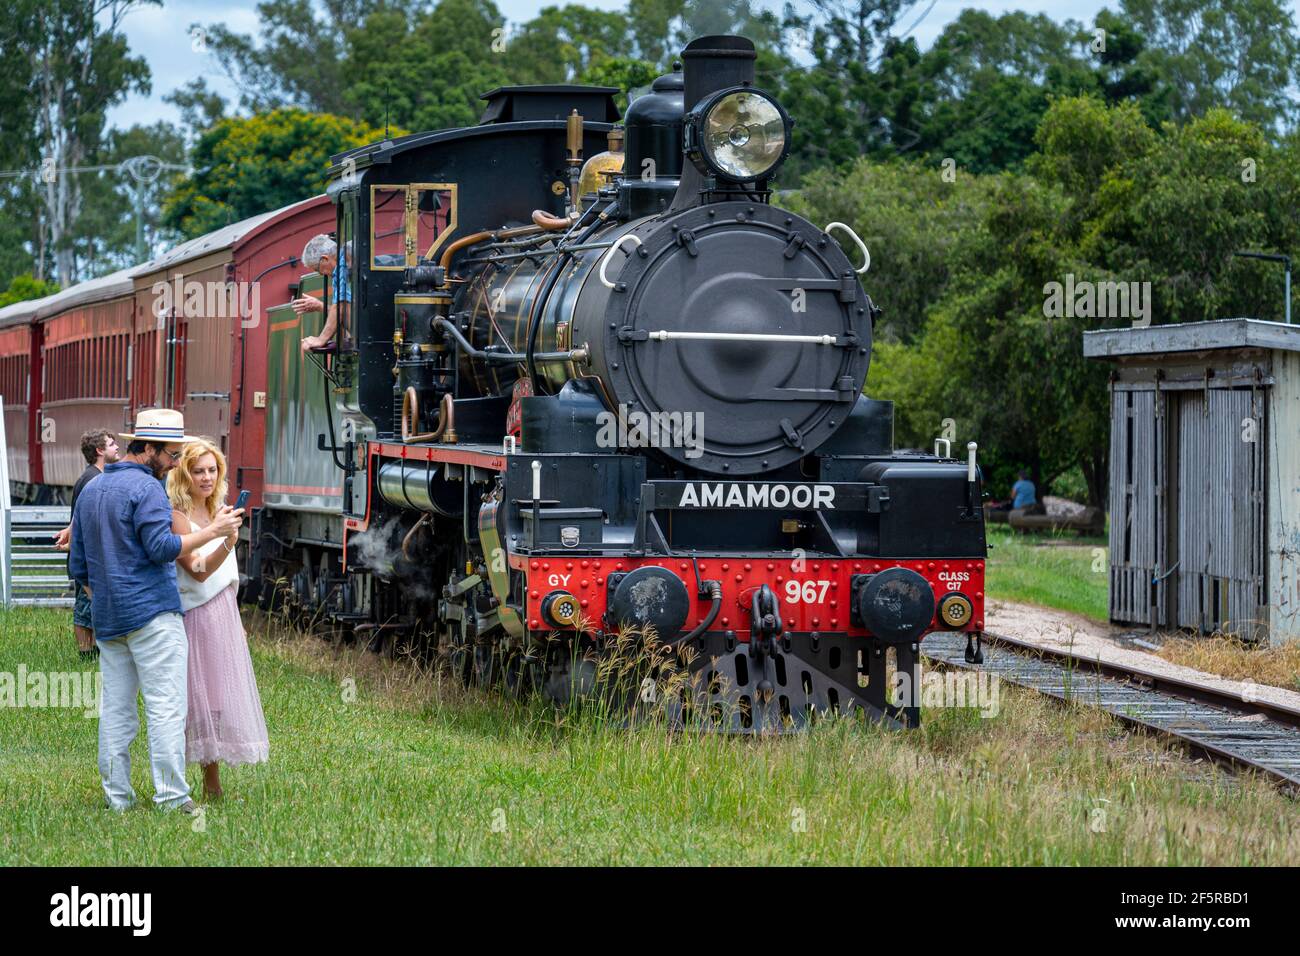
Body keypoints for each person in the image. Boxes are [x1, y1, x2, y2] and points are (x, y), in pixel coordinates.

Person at [68, 409, 244, 814]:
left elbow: (78, 567)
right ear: (147, 449)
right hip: (153, 616)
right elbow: (162, 548)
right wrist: (214, 532)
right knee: (167, 707)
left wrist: (107, 599)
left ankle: (118, 798)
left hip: (110, 620)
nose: (176, 462)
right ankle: (171, 797)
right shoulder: (147, 491)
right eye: (171, 453)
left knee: (116, 710)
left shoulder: (93, 490)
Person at [167, 438, 269, 801]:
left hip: (224, 611)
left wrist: (238, 618)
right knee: (201, 700)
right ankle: (202, 785)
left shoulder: (220, 510)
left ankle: (213, 784)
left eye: (212, 470)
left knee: (220, 700)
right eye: (198, 471)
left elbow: (227, 577)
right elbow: (197, 573)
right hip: (197, 613)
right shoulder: (177, 517)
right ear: (184, 475)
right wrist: (227, 541)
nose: (207, 478)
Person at [55, 429, 120, 656]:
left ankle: (92, 650)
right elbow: (85, 519)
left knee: (90, 605)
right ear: (100, 450)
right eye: (112, 444)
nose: (117, 447)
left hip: (90, 554)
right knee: (84, 607)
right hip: (87, 556)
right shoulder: (92, 478)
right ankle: (85, 653)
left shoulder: (95, 476)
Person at [294, 234, 351, 352]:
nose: (320, 274)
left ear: (325, 259)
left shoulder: (344, 265)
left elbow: (340, 307)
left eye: (317, 269)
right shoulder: (342, 264)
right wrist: (320, 306)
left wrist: (321, 339)